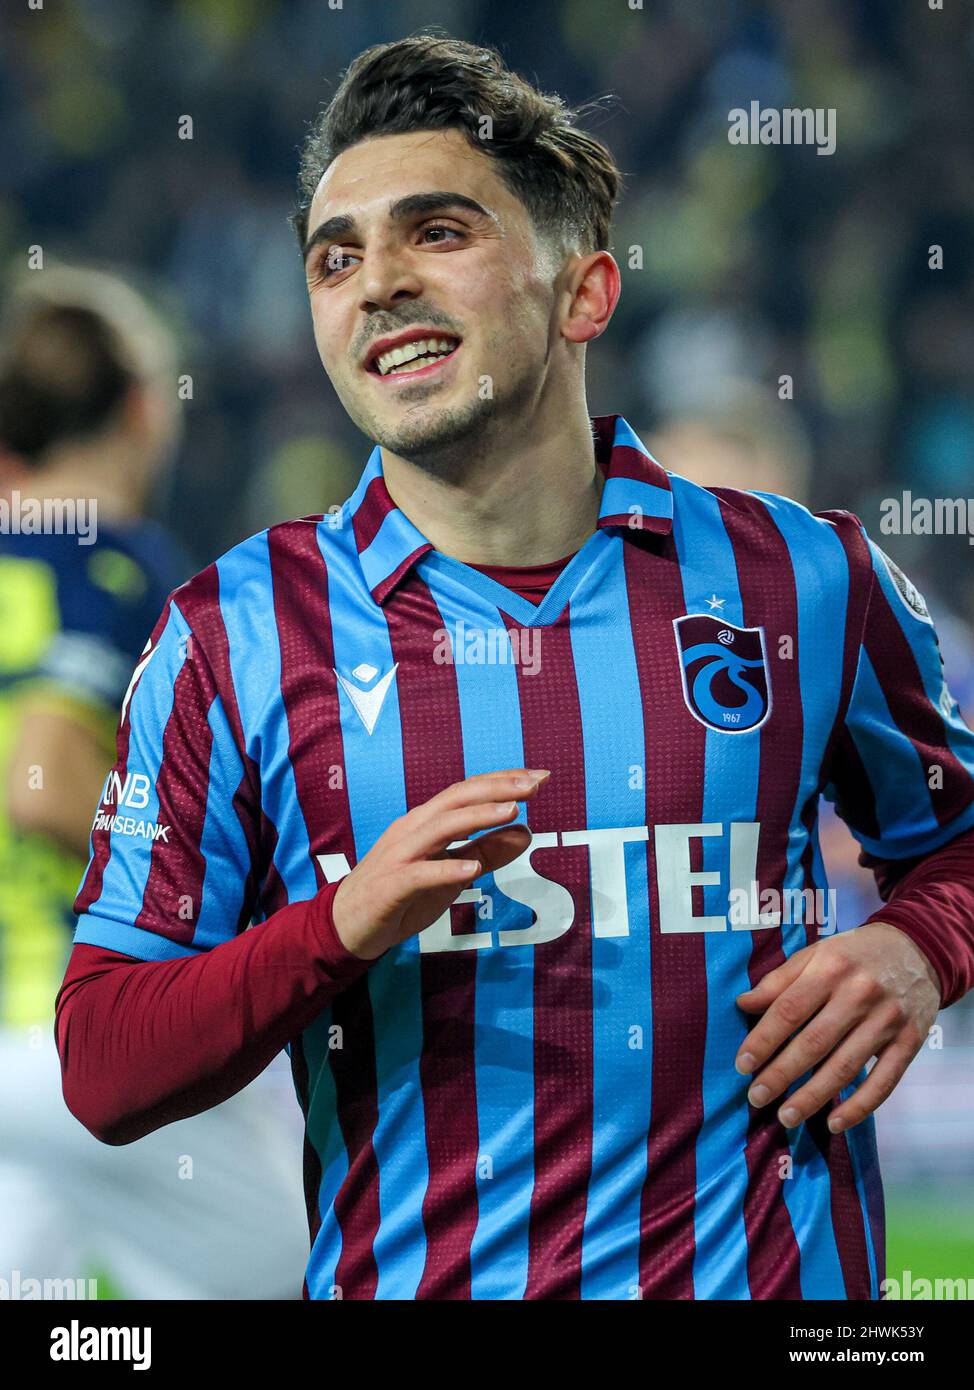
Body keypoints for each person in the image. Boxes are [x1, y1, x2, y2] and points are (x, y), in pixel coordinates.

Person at [56, 35, 974, 1300]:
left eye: (435, 232)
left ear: (583, 294)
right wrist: (337, 926)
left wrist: (922, 946)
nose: (373, 283)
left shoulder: (803, 580)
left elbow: (958, 837)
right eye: (335, 257)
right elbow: (105, 1064)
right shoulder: (237, 633)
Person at [0, 265, 308, 1298]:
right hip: (65, 1022)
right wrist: (196, 890)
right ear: (143, 408)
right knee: (301, 1257)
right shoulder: (107, 560)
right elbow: (41, 786)